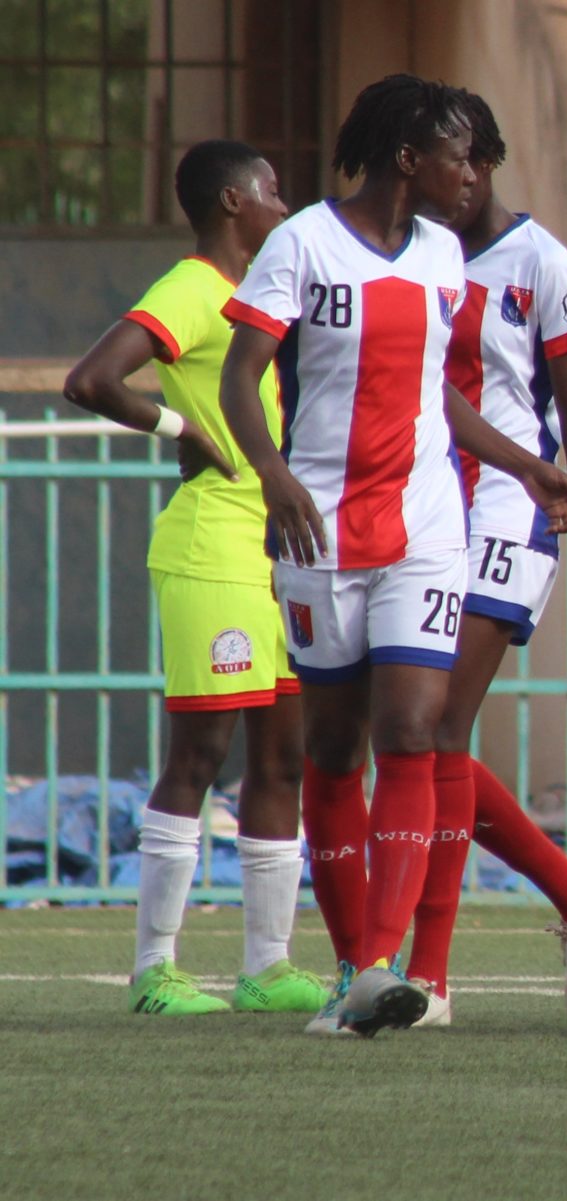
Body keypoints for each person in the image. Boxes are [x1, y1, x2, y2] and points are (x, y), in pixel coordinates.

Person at [218, 74, 567, 1037]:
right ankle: (355, 970)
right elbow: (240, 376)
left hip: (428, 529)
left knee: (415, 731)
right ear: (405, 158)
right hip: (322, 524)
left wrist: (531, 466)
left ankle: (385, 969)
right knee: (332, 750)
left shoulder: (440, 258)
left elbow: (442, 397)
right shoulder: (302, 242)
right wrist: (272, 473)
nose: (472, 173)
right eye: (458, 154)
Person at [64, 139, 324, 1016]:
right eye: (272, 192)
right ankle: (154, 970)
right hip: (210, 547)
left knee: (284, 756)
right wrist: (179, 426)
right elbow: (92, 378)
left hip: (273, 551)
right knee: (201, 753)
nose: (281, 208)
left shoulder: (254, 297)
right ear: (230, 201)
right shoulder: (192, 288)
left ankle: (268, 964)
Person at [399, 88, 567, 1028]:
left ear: (487, 160)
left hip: (512, 503)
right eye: (428, 162)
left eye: (462, 161)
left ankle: (434, 978)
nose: (447, 183)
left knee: (438, 724)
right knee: (418, 735)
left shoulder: (542, 261)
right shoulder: (412, 252)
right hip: (424, 503)